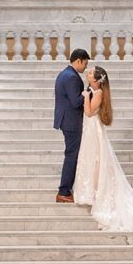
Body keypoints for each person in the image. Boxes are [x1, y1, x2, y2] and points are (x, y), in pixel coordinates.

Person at [74, 66, 133, 232]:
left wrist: (85, 96)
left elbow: (89, 112)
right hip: (91, 129)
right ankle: (91, 189)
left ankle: (97, 191)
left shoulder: (97, 94)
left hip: (94, 129)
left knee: (97, 158)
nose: (87, 73)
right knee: (91, 158)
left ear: (96, 80)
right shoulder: (95, 91)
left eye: (90, 73)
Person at [53, 49, 91, 202]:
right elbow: (75, 101)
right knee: (71, 155)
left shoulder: (65, 74)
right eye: (85, 63)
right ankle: (63, 191)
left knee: (71, 154)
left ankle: (66, 189)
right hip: (70, 122)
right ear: (78, 61)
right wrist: (88, 92)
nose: (85, 67)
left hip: (66, 120)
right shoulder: (71, 77)